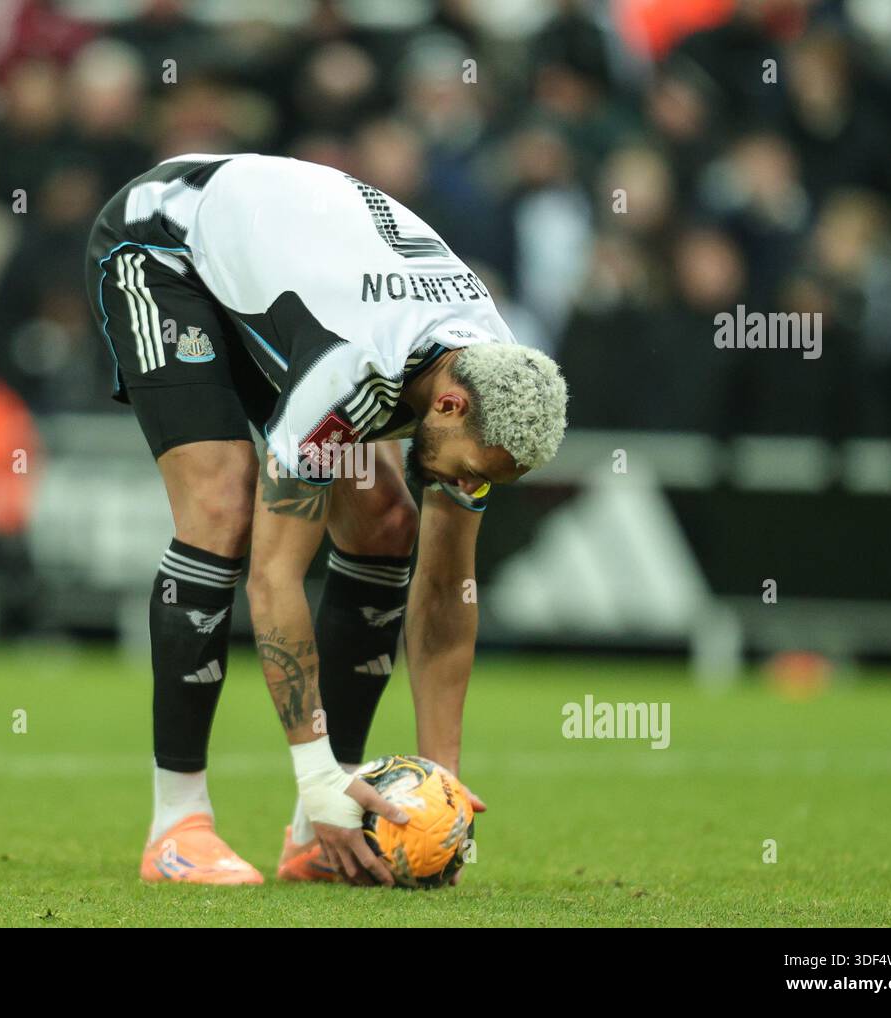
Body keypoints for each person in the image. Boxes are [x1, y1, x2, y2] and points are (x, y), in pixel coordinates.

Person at [84, 153, 567, 885]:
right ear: (448, 404)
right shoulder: (353, 368)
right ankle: (177, 827)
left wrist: (443, 781)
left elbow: (443, 591)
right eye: (471, 470)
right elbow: (275, 577)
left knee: (385, 524)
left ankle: (317, 834)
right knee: (222, 502)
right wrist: (312, 768)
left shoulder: (491, 383)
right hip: (162, 247)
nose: (469, 486)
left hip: (277, 283)